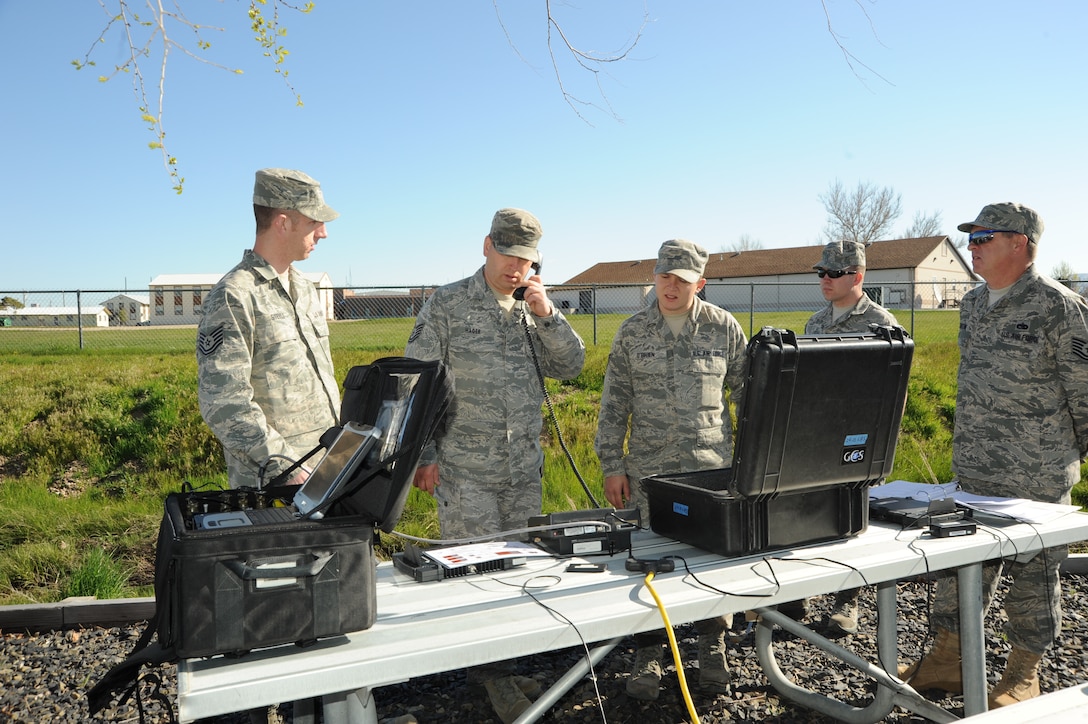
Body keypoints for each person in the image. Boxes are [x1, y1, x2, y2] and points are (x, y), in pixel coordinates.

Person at [898, 202, 1088, 708]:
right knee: (960, 565)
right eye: (972, 238)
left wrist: (1066, 458)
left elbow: (1085, 394)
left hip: (1037, 475)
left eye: (983, 238)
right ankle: (948, 659)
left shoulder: (1059, 306)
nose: (972, 247)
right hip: (975, 470)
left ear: (1020, 243)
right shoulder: (973, 305)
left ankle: (1023, 674)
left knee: (1034, 574)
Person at [404, 207, 586, 723]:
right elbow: (417, 381)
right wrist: (424, 454)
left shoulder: (534, 308)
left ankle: (504, 666)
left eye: (527, 260)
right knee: (477, 572)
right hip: (465, 468)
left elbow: (571, 366)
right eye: (508, 255)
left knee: (520, 571)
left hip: (522, 467)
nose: (516, 268)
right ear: (486, 246)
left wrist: (548, 314)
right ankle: (493, 680)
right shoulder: (448, 303)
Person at [594, 239, 749, 701]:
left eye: (682, 280)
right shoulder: (632, 331)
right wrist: (612, 465)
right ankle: (649, 649)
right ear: (655, 277)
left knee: (712, 561)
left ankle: (712, 641)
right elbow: (614, 403)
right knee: (648, 564)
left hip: (711, 471)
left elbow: (748, 400)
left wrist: (753, 465)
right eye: (664, 277)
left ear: (699, 283)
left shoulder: (724, 328)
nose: (671, 287)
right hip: (650, 476)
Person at [197, 168, 342, 492]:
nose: (323, 233)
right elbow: (223, 401)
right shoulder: (234, 295)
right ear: (283, 223)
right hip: (276, 487)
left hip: (328, 471)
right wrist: (286, 469)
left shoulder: (304, 290)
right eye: (313, 222)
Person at [801, 239, 899, 635]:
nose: (825, 279)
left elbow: (894, 390)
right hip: (818, 433)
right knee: (810, 515)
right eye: (820, 272)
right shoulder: (815, 323)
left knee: (853, 521)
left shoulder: (882, 324)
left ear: (857, 277)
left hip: (860, 435)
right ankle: (799, 592)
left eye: (834, 273)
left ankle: (848, 600)